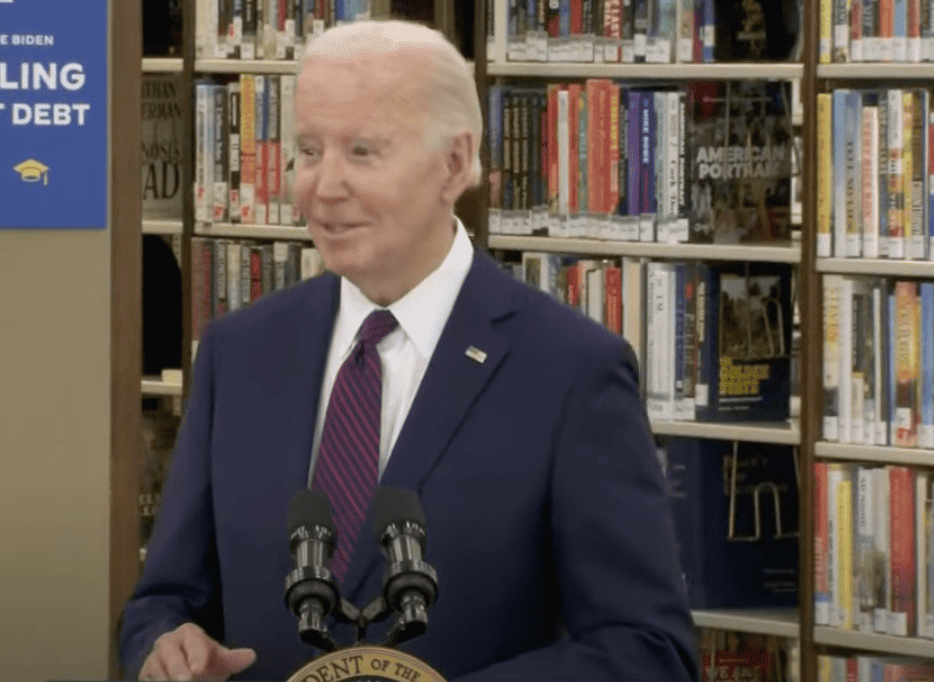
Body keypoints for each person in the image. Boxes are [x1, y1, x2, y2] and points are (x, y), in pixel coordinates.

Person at [119, 20, 698, 682]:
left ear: (455, 163)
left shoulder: (571, 372)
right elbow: (161, 602)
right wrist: (165, 645)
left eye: (362, 152)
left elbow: (648, 651)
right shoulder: (240, 352)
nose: (323, 186)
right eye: (309, 150)